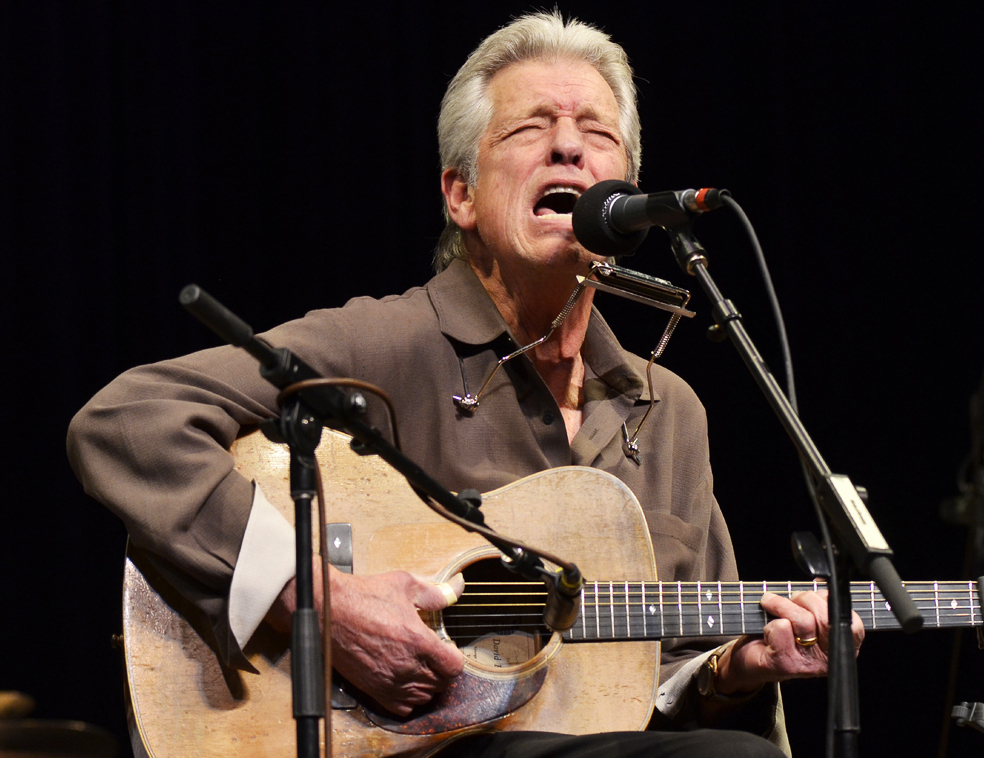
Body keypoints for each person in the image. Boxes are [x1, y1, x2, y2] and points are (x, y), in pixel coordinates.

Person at [68, 11, 863, 758]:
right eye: (531, 129)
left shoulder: (667, 411)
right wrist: (321, 600)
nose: (568, 150)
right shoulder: (388, 343)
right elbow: (129, 421)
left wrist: (741, 667)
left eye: (597, 135)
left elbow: (669, 681)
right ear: (461, 194)